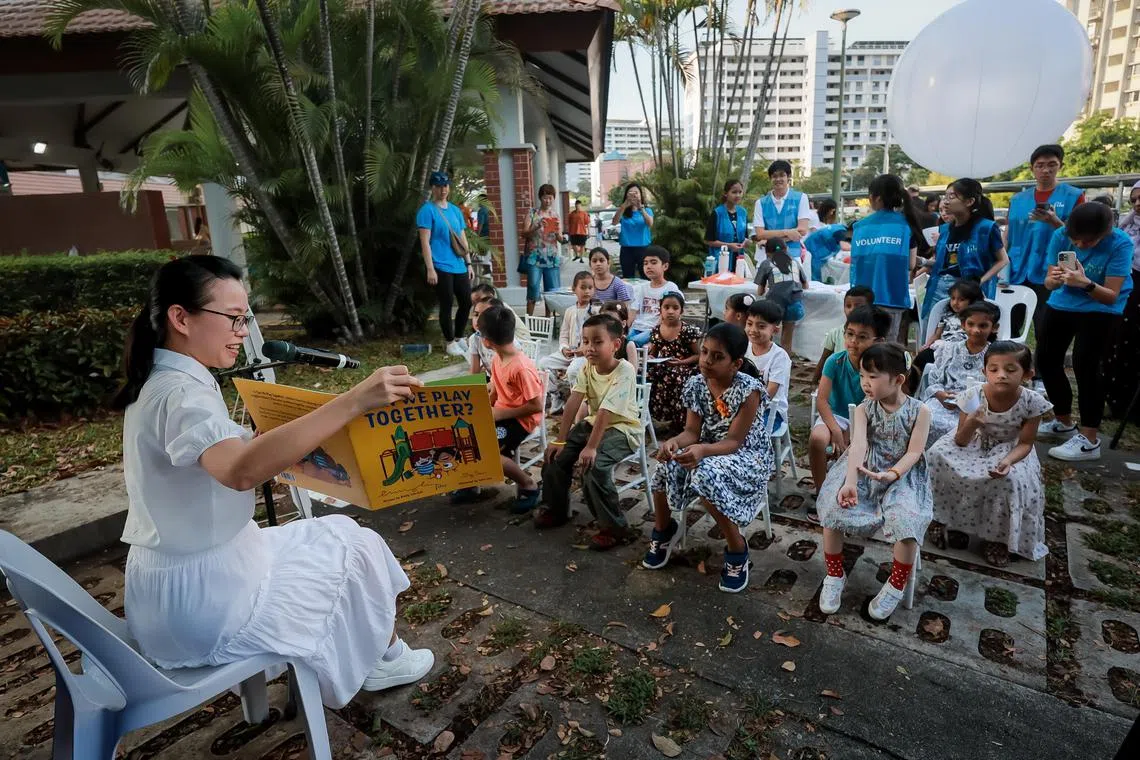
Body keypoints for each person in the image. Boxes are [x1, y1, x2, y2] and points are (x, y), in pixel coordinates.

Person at [115, 256, 433, 709]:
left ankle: (383, 654)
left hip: (171, 585)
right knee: (354, 544)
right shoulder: (181, 392)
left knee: (338, 533)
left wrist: (265, 441)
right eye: (233, 318)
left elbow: (216, 456)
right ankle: (384, 658)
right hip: (204, 603)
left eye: (245, 319)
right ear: (180, 318)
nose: (242, 331)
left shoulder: (162, 378)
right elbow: (239, 470)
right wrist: (354, 400)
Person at [641, 323, 774, 593]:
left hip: (748, 456)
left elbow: (734, 442)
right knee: (665, 465)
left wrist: (702, 450)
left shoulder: (749, 390)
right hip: (709, 448)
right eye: (704, 352)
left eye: (717, 356)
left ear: (735, 364)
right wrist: (674, 443)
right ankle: (664, 530)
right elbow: (691, 432)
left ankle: (737, 549)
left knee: (704, 474)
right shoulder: (696, 384)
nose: (706, 361)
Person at [816, 343, 932, 620]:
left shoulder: (920, 411)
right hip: (865, 468)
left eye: (873, 377)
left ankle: (896, 584)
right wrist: (850, 481)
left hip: (904, 476)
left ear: (898, 379)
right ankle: (834, 574)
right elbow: (858, 445)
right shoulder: (864, 409)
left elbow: (914, 452)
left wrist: (893, 474)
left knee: (907, 521)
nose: (865, 383)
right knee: (833, 509)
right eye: (862, 376)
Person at [927, 342, 1050, 567]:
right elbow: (960, 440)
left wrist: (1007, 461)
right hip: (974, 441)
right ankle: (941, 518)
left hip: (1010, 448)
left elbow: (1025, 443)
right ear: (984, 371)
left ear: (1027, 374)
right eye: (994, 369)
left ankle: (997, 538)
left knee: (1010, 479)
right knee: (936, 456)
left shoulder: (1032, 402)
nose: (1001, 375)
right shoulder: (972, 396)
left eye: (1010, 370)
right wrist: (972, 422)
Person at [1036, 202, 1134, 462]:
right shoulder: (1061, 235)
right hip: (1063, 303)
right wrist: (1054, 280)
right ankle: (1064, 422)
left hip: (1101, 308)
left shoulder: (1120, 243)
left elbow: (1111, 296)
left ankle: (1090, 440)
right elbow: (1050, 281)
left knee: (1087, 366)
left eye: (1088, 241)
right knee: (1046, 359)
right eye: (1075, 239)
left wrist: (1086, 283)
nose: (1079, 245)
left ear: (1104, 233)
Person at [535, 314, 643, 549]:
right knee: (555, 456)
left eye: (597, 341)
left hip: (623, 430)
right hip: (594, 423)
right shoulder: (587, 367)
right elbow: (574, 400)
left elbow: (606, 411)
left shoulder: (624, 370)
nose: (589, 348)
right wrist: (560, 440)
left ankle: (614, 528)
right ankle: (555, 510)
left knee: (593, 467)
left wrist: (591, 447)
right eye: (585, 341)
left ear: (616, 344)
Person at [808, 305, 891, 520]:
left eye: (862, 337)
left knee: (866, 449)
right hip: (836, 415)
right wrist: (836, 431)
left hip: (870, 419)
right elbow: (823, 400)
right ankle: (822, 493)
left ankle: (860, 495)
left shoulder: (881, 368)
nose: (853, 341)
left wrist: (852, 432)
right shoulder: (835, 361)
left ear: (879, 341)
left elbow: (878, 405)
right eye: (849, 334)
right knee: (817, 439)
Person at [1005, 144, 1086, 338]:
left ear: (1060, 166)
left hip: (1054, 269)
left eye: (1052, 164)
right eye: (1040, 165)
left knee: (1046, 327)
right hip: (1017, 268)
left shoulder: (1074, 196)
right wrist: (1002, 269)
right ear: (1032, 168)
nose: (1046, 170)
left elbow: (1080, 237)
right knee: (1009, 324)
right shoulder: (1018, 199)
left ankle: (1045, 358)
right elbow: (1007, 234)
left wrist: (1055, 221)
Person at [482, 305, 545, 514]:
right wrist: (484, 411)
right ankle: (468, 484)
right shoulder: (496, 359)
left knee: (490, 452)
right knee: (468, 438)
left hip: (522, 420)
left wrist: (500, 413)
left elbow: (537, 406)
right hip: (501, 413)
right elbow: (495, 391)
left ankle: (528, 485)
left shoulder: (521, 367)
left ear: (486, 342)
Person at [919, 179, 1007, 323]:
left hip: (969, 292)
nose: (945, 201)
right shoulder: (944, 230)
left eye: (952, 197)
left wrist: (979, 282)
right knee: (932, 330)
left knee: (965, 330)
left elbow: (1003, 260)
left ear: (969, 201)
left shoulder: (986, 228)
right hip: (939, 288)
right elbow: (942, 265)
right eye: (945, 196)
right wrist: (921, 261)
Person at [849, 174, 921, 343]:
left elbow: (856, 263)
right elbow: (910, 264)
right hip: (892, 297)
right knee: (886, 348)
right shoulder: (906, 225)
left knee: (861, 345)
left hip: (862, 299)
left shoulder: (860, 227)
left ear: (877, 198)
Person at [919, 302, 999, 444]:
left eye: (983, 326)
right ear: (963, 325)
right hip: (945, 404)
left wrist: (970, 401)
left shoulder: (995, 355)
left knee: (973, 427)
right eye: (971, 324)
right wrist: (940, 394)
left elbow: (997, 387)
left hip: (978, 408)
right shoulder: (949, 349)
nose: (976, 330)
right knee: (925, 417)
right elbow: (934, 379)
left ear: (994, 328)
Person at [417, 171, 473, 357]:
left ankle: (459, 337)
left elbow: (462, 238)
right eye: (439, 186)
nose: (443, 190)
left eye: (446, 186)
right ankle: (449, 342)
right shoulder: (427, 211)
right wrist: (430, 268)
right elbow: (425, 242)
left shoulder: (455, 210)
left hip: (459, 264)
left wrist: (469, 263)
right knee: (447, 302)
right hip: (440, 265)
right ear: (433, 188)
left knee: (466, 301)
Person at [910, 278, 984, 393]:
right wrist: (927, 345)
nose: (955, 303)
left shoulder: (975, 319)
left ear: (973, 301)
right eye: (953, 298)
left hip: (965, 349)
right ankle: (913, 389)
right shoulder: (947, 315)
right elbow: (937, 334)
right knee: (922, 358)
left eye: (961, 300)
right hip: (944, 347)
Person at [1106, 180, 1140, 422]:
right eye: (1134, 199)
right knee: (1118, 346)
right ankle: (1118, 404)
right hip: (1124, 297)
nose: (1137, 204)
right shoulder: (1126, 229)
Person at [647, 292, 702, 434]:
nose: (670, 311)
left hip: (684, 367)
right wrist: (651, 357)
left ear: (681, 311)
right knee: (648, 375)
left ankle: (678, 423)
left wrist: (681, 362)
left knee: (675, 377)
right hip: (664, 365)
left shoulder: (687, 330)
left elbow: (698, 355)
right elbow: (654, 352)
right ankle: (655, 419)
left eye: (675, 308)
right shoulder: (656, 330)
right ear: (660, 310)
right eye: (666, 307)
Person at [541, 272, 596, 410]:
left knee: (572, 371)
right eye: (583, 287)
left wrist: (583, 350)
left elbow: (596, 338)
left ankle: (576, 404)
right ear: (574, 289)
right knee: (543, 363)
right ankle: (556, 396)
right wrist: (564, 348)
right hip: (570, 352)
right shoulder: (569, 311)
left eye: (590, 288)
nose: (587, 291)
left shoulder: (596, 311)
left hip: (585, 354)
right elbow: (563, 334)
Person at [744, 299, 792, 430]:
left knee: (747, 429)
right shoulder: (743, 348)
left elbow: (770, 391)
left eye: (761, 326)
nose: (753, 330)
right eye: (749, 324)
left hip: (771, 410)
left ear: (775, 330)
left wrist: (748, 407)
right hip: (743, 405)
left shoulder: (779, 356)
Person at [754, 238, 809, 351]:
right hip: (794, 303)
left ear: (767, 253)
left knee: (768, 332)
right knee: (787, 336)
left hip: (773, 304)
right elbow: (805, 285)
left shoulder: (766, 263)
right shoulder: (795, 262)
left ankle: (765, 354)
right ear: (787, 249)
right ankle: (786, 357)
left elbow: (760, 292)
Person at [752, 160, 811, 266]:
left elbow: (802, 230)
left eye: (782, 175)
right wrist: (788, 232)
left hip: (792, 255)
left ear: (788, 177)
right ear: (770, 178)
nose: (778, 179)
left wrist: (769, 240)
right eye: (774, 176)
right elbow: (760, 234)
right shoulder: (760, 203)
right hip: (767, 257)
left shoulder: (801, 198)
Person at [813, 286, 874, 384]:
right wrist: (815, 381)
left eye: (858, 306)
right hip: (840, 382)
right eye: (848, 306)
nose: (852, 310)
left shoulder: (873, 336)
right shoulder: (834, 333)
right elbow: (824, 358)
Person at [521, 183, 563, 316]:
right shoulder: (532, 213)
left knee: (552, 291)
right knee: (533, 288)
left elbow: (561, 239)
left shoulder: (555, 215)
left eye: (550, 198)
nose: (548, 201)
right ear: (540, 198)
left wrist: (557, 232)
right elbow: (524, 233)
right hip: (535, 257)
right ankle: (529, 320)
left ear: (553, 198)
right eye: (545, 197)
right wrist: (537, 226)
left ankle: (549, 320)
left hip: (551, 257)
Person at [629, 246, 682, 347]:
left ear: (665, 266)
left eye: (653, 262)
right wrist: (625, 329)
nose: (648, 266)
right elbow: (633, 311)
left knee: (632, 342)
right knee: (623, 339)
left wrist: (656, 336)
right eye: (645, 263)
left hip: (654, 329)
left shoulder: (670, 288)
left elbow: (669, 316)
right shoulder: (641, 288)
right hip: (637, 327)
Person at [705, 179, 750, 271]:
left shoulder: (743, 212)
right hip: (720, 261)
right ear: (726, 194)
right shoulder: (717, 213)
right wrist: (729, 245)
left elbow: (745, 237)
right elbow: (708, 241)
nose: (737, 195)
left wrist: (747, 242)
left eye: (740, 192)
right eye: (734, 192)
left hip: (739, 261)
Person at [613, 183, 654, 279]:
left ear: (641, 195)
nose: (633, 195)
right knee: (628, 278)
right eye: (630, 193)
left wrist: (641, 208)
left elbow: (649, 224)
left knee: (646, 276)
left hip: (643, 248)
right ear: (626, 195)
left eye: (636, 193)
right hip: (627, 249)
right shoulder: (623, 211)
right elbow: (614, 222)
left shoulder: (647, 210)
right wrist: (624, 206)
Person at [803, 199, 850, 282]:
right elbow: (815, 233)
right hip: (811, 246)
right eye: (832, 211)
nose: (832, 213)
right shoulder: (813, 216)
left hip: (817, 248)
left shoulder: (825, 222)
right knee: (812, 273)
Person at [588, 247, 635, 315]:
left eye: (601, 260)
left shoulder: (617, 283)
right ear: (590, 264)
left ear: (608, 263)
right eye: (594, 261)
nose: (598, 264)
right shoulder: (589, 282)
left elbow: (624, 306)